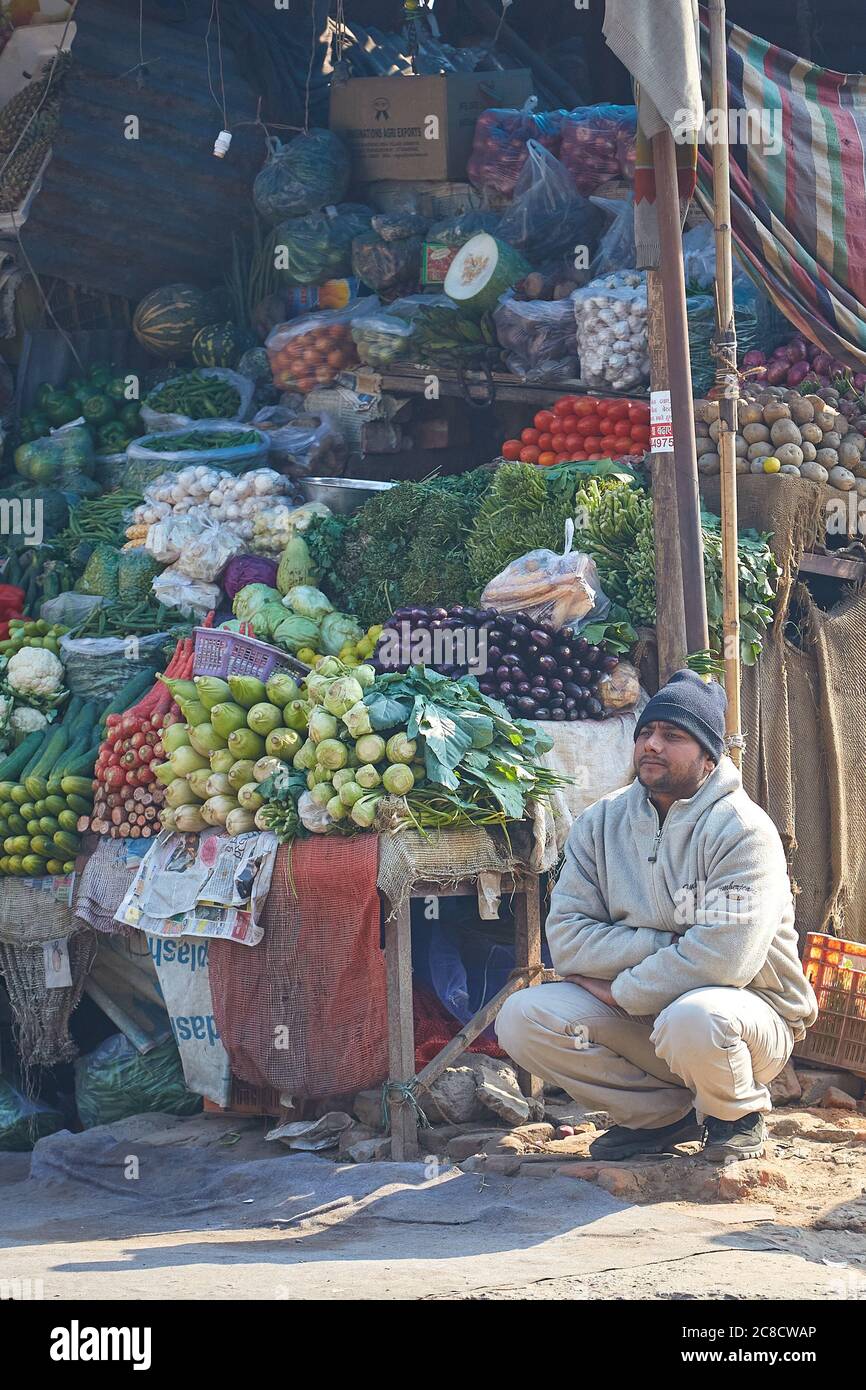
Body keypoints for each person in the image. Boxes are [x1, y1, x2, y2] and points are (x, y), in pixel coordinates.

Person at [496, 669, 818, 1162]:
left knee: (694, 1014)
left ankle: (736, 1113)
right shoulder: (600, 822)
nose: (652, 745)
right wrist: (672, 946)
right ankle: (660, 1117)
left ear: (709, 755)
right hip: (650, 1022)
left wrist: (619, 988)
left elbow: (725, 962)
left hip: (746, 1022)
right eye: (646, 732)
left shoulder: (744, 831)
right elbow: (567, 939)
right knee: (523, 1017)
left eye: (673, 736)